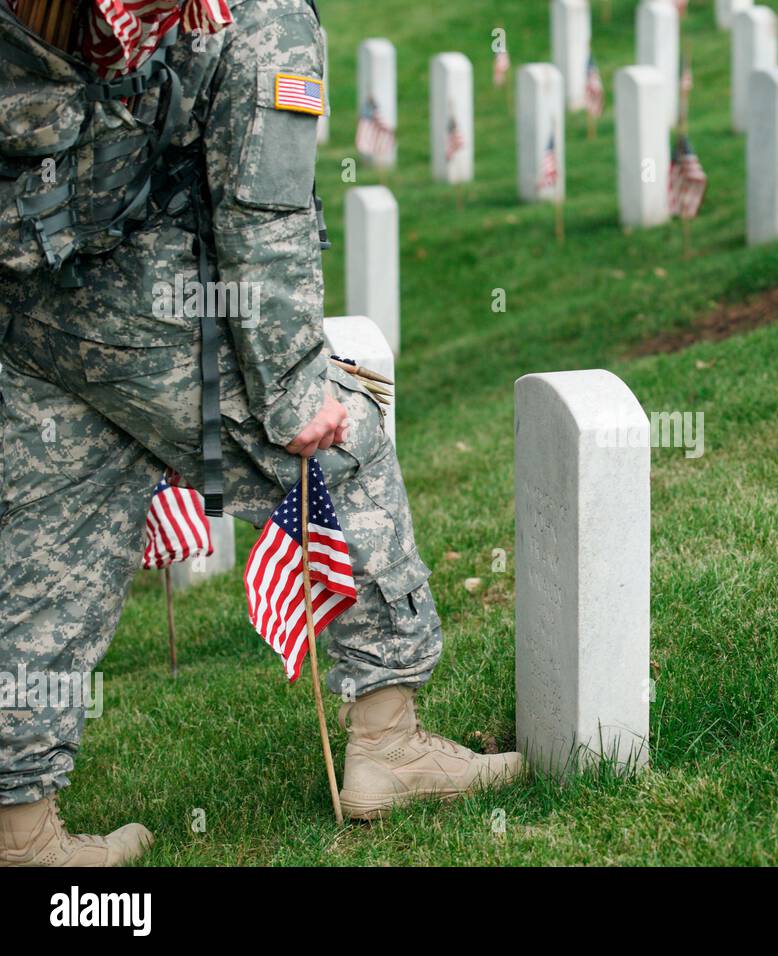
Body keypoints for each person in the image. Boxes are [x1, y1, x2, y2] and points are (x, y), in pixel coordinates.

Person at [0, 0, 522, 867]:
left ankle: (19, 830)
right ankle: (389, 749)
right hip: (145, 308)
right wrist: (292, 390)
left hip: (29, 308)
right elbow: (263, 211)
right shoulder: (268, 16)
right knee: (346, 449)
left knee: (49, 552)